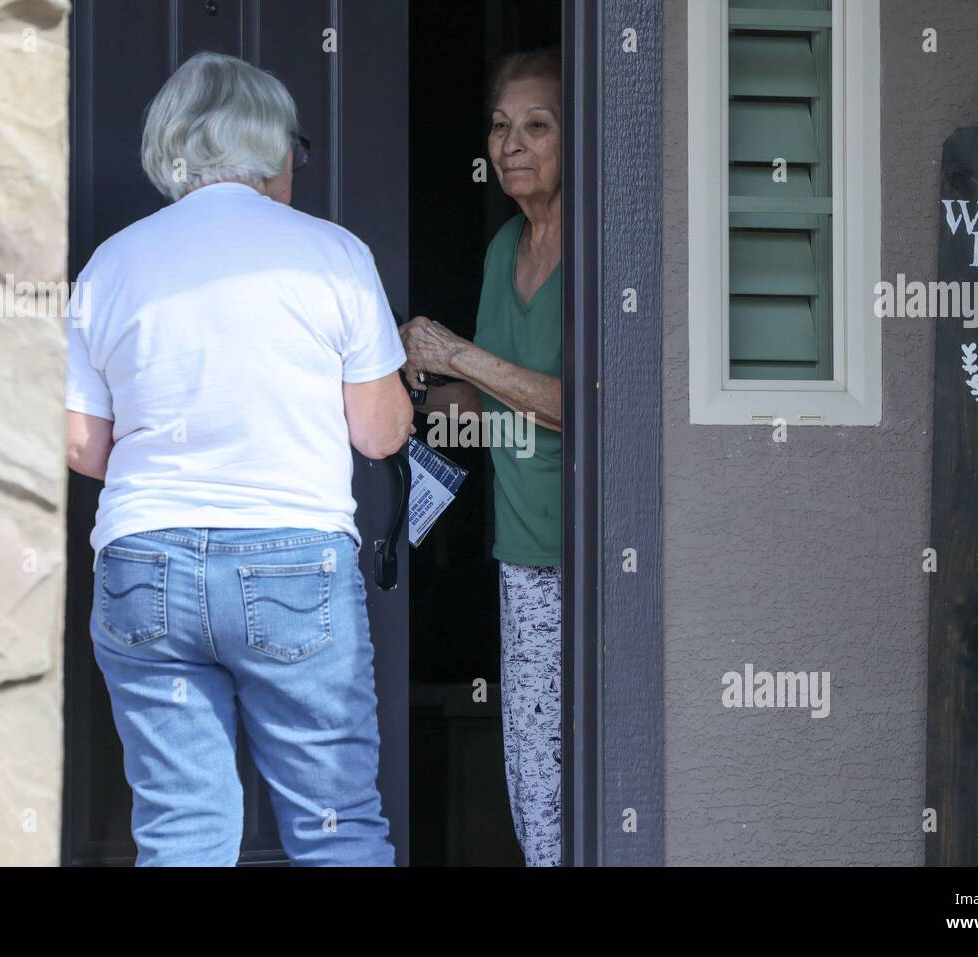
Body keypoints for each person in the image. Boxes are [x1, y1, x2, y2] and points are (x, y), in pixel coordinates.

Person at [64, 51, 413, 866]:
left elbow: (85, 446)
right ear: (273, 149)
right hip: (292, 558)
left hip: (143, 561)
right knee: (337, 827)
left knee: (183, 834)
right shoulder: (333, 255)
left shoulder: (112, 263)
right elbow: (377, 434)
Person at [399, 48, 564, 867]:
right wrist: (414, 383)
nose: (513, 144)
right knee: (535, 784)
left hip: (599, 563)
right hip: (523, 558)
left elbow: (585, 406)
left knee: (597, 776)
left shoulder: (595, 249)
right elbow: (477, 416)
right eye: (501, 127)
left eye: (537, 125)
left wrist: (459, 354)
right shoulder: (506, 248)